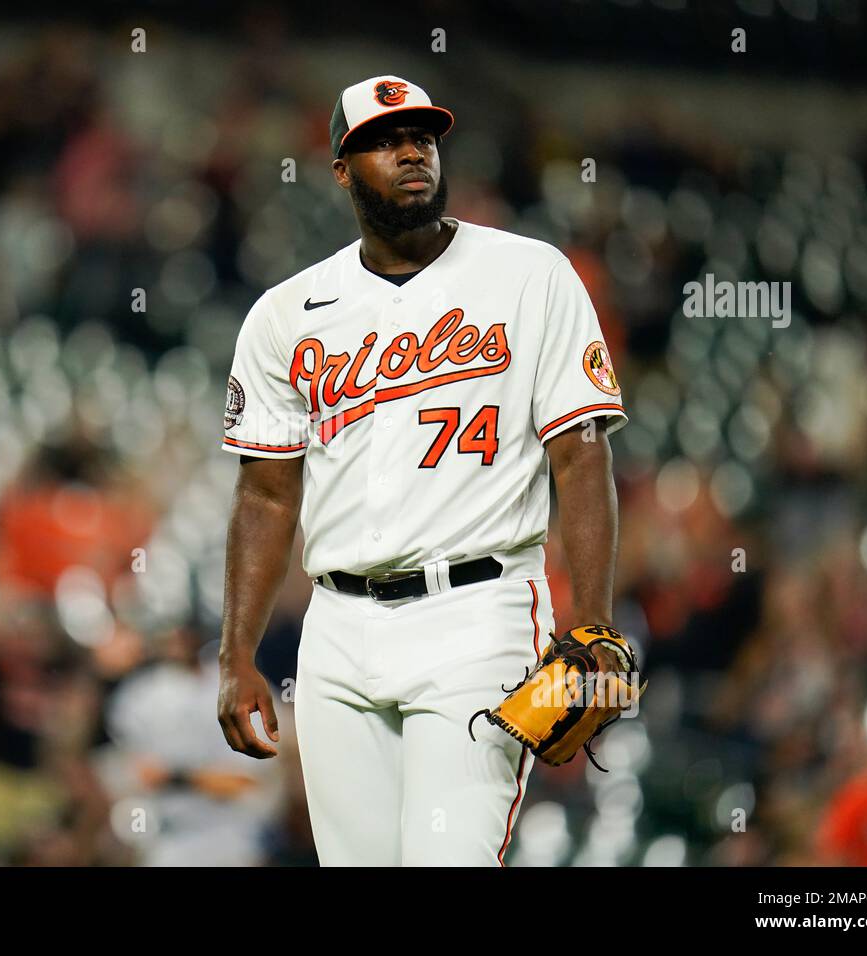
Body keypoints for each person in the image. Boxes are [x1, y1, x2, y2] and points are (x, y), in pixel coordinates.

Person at [216, 75, 630, 866]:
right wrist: (237, 654)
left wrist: (593, 623)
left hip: (476, 615)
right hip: (334, 632)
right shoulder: (284, 314)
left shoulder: (530, 275)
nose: (410, 150)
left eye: (423, 136)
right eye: (382, 139)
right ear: (341, 168)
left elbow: (580, 455)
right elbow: (265, 494)